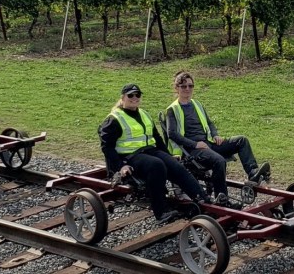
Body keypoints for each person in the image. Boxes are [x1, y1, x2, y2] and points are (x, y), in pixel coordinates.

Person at [98, 83, 209, 225]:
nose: (134, 98)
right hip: (129, 156)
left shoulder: (144, 114)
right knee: (156, 165)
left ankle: (203, 200)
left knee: (175, 165)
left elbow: (157, 138)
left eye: (137, 95)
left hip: (149, 150)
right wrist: (120, 167)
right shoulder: (114, 118)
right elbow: (107, 147)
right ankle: (161, 212)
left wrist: (168, 155)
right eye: (130, 95)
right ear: (123, 97)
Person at [162, 70, 270, 206]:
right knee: (219, 161)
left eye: (190, 86)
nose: (187, 89)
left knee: (241, 140)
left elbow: (210, 123)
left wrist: (215, 135)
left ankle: (253, 173)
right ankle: (222, 198)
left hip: (209, 143)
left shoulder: (197, 104)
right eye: (183, 86)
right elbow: (172, 134)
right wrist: (195, 144)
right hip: (192, 150)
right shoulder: (172, 109)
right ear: (177, 88)